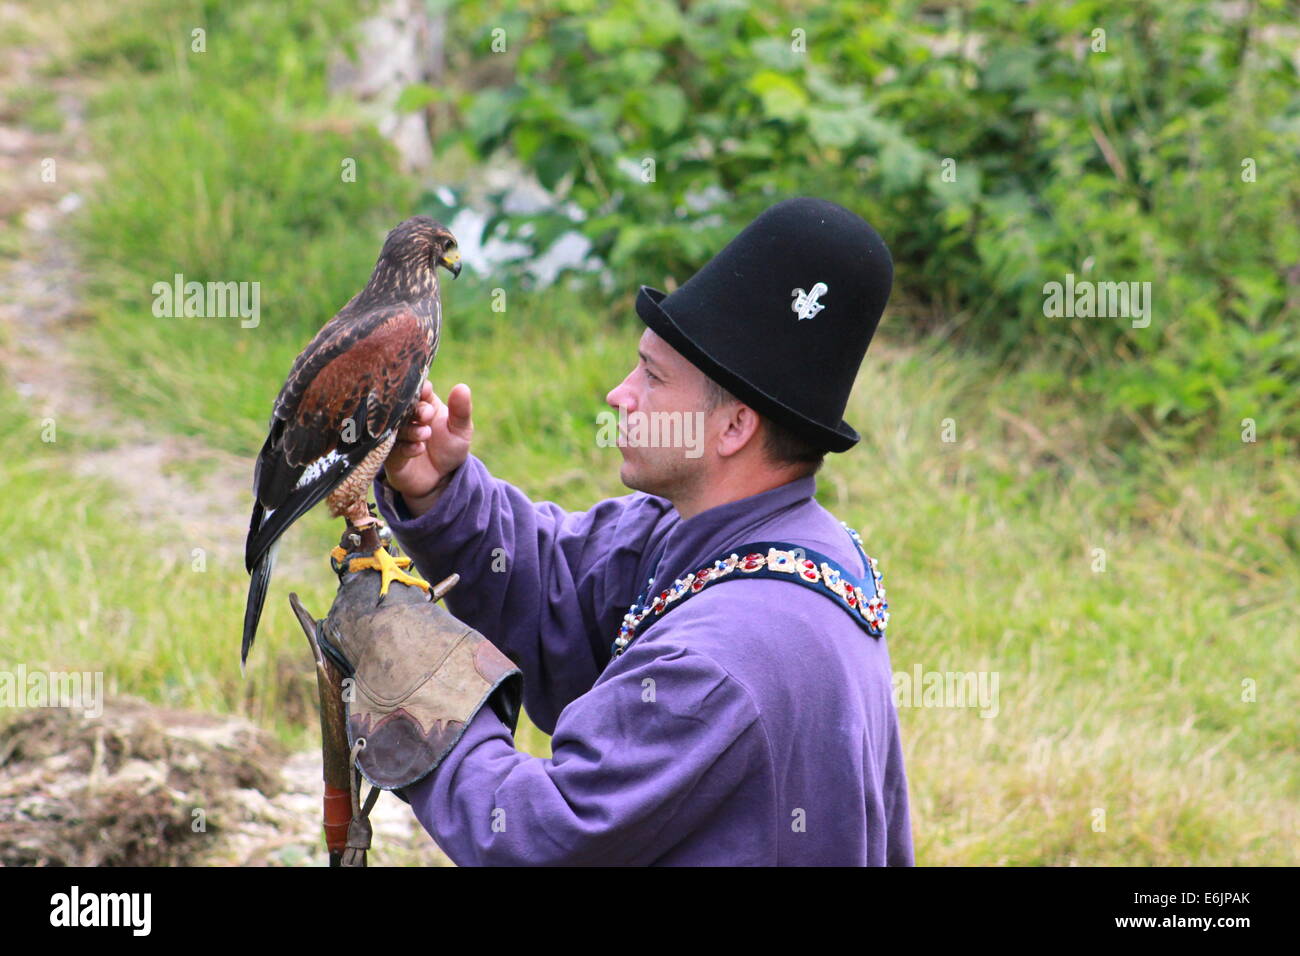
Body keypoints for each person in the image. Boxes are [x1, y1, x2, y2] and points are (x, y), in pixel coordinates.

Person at [372, 197, 913, 865]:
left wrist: (423, 700)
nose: (619, 394)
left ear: (735, 426)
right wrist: (442, 493)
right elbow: (565, 586)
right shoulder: (762, 539)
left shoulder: (718, 661)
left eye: (652, 377)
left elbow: (542, 834)